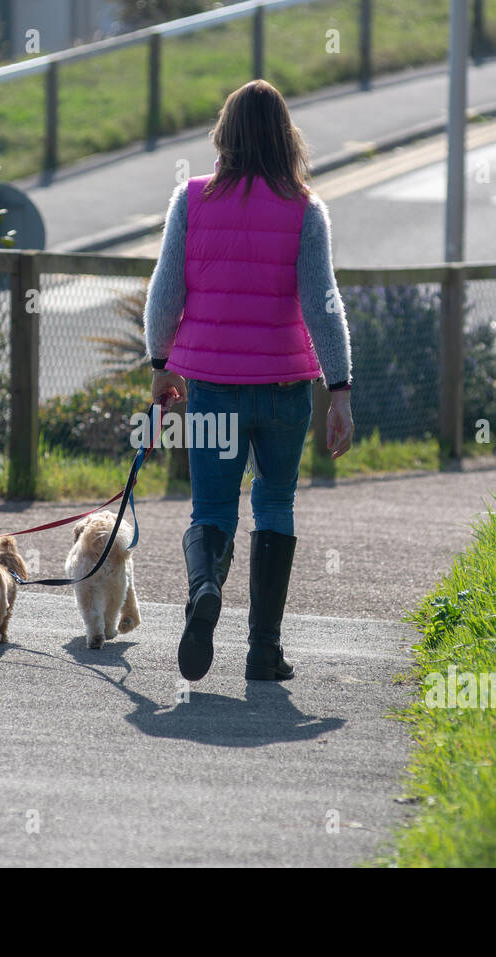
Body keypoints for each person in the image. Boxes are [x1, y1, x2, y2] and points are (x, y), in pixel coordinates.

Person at [142, 79, 353, 683]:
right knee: (275, 504)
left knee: (210, 506)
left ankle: (205, 587)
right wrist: (339, 388)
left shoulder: (191, 199)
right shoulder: (305, 208)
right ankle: (264, 651)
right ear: (286, 137)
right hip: (286, 387)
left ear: (224, 135)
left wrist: (161, 367)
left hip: (211, 386)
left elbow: (165, 293)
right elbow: (324, 304)